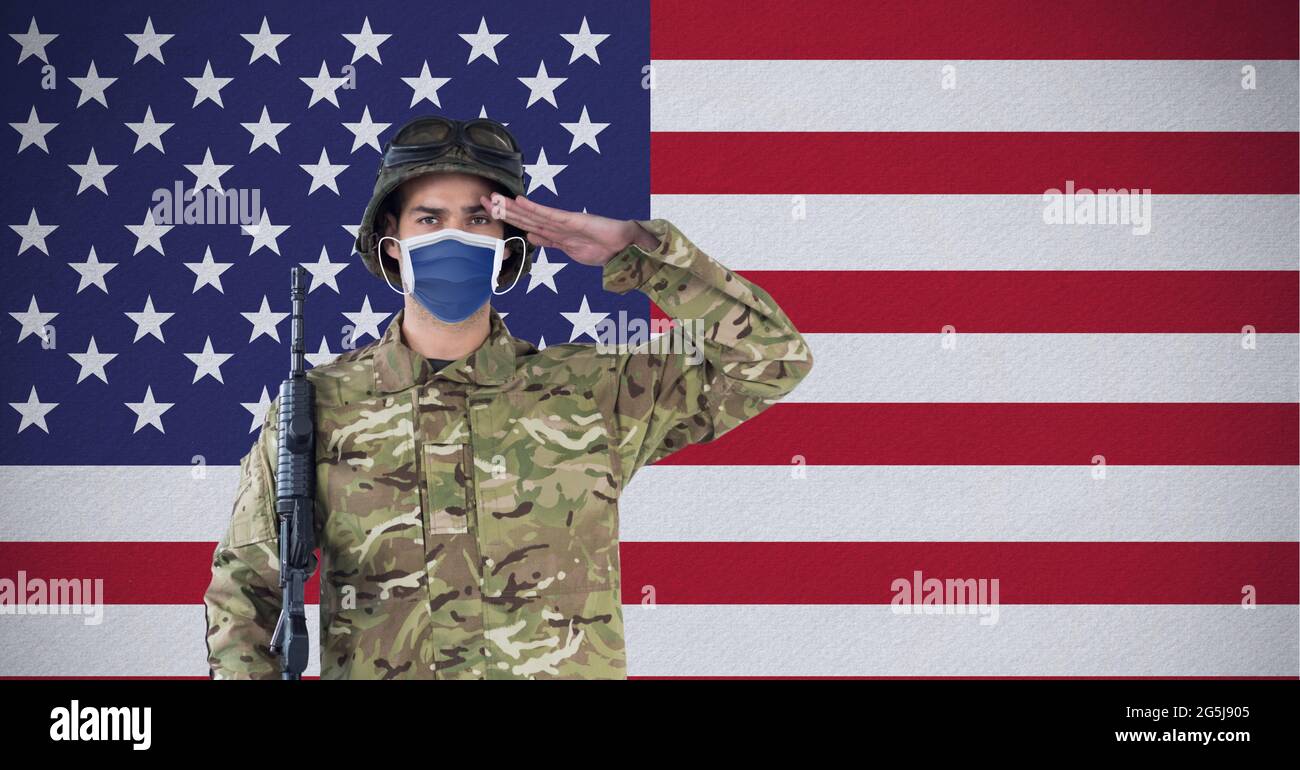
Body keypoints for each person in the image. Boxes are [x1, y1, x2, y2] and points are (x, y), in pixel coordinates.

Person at [203, 115, 814, 679]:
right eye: (429, 218)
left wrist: (635, 250)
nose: (454, 237)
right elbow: (245, 596)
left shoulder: (592, 392)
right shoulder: (320, 407)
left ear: (507, 244)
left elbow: (772, 356)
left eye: (477, 219)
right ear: (391, 242)